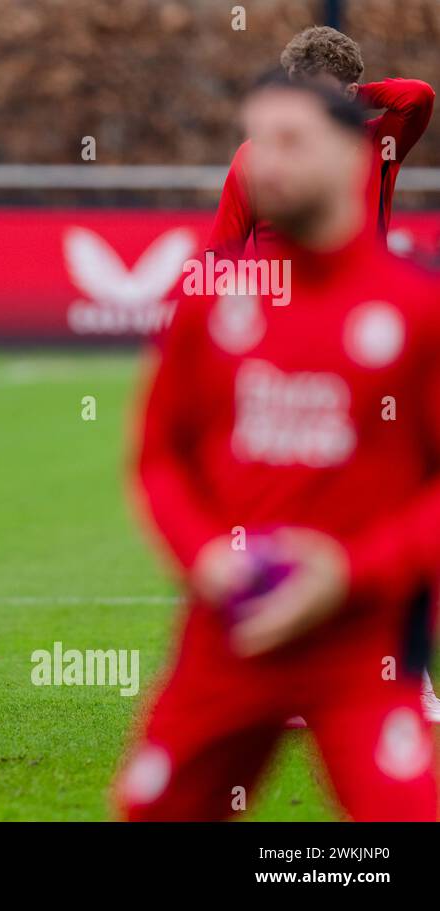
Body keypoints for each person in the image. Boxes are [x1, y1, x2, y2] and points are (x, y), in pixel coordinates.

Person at [119, 75, 438, 821]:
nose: (268, 163)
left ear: (358, 158)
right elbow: (159, 456)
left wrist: (350, 572)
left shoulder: (417, 311)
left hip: (360, 646)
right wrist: (205, 556)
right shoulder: (211, 305)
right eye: (258, 142)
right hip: (227, 636)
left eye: (293, 140)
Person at [207, 25, 435, 258]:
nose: (305, 105)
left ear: (349, 93)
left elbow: (417, 96)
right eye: (298, 90)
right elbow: (219, 254)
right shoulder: (257, 155)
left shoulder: (376, 143)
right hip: (283, 292)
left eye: (319, 94)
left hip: (361, 291)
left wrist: (347, 104)